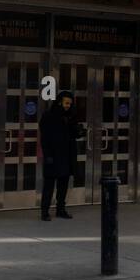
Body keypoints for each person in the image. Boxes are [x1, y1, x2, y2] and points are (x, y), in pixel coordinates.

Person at [39, 90, 79, 220]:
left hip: (67, 156)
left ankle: (60, 209)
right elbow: (44, 138)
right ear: (60, 102)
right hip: (53, 156)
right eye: (66, 103)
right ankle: (44, 211)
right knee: (49, 186)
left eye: (70, 104)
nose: (68, 105)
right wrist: (48, 155)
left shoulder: (71, 116)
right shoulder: (48, 116)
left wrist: (78, 131)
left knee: (63, 185)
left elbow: (73, 135)